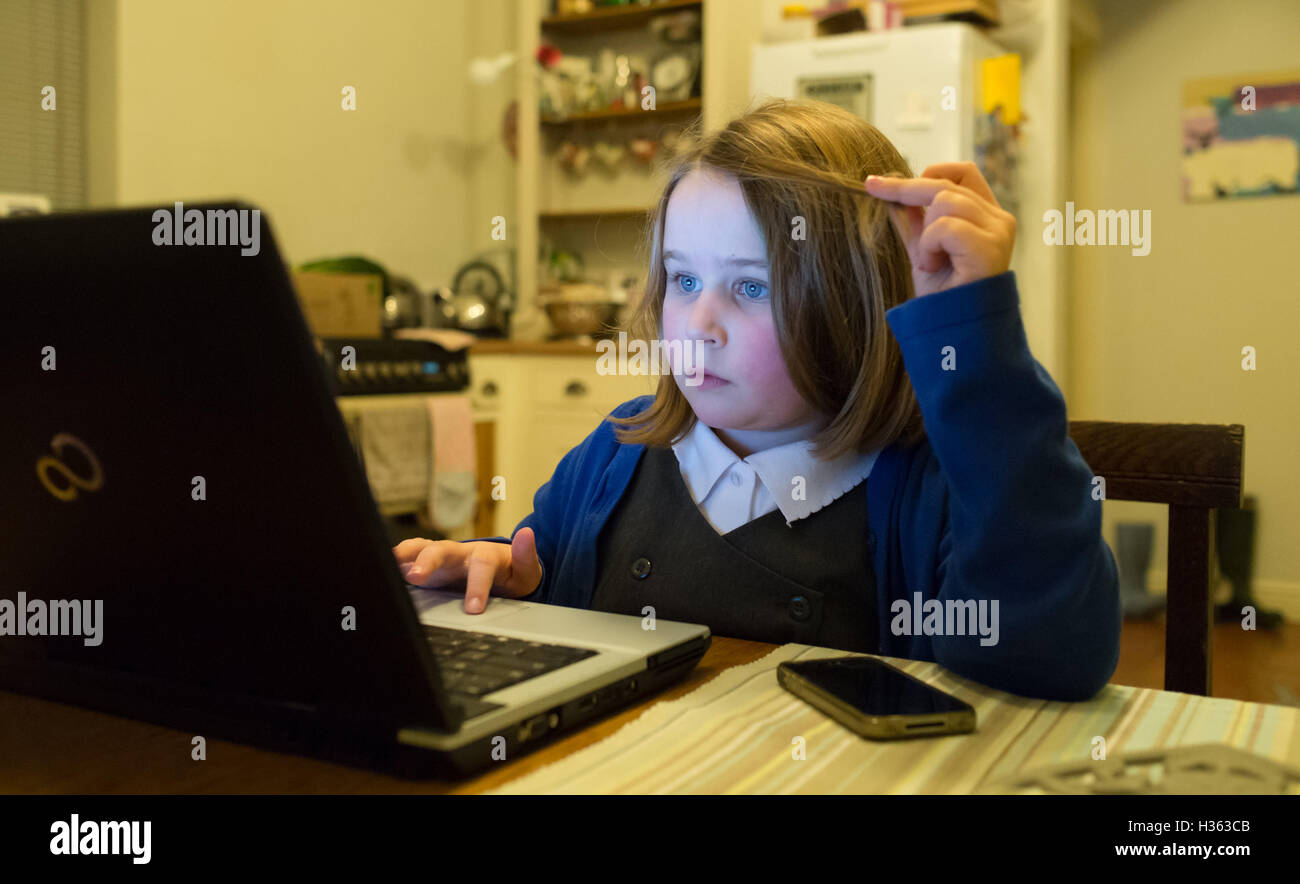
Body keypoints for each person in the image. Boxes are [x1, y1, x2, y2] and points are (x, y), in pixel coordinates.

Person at [393, 98, 1121, 701]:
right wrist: (501, 573)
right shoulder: (614, 455)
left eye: (751, 286)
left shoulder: (926, 487)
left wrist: (978, 349)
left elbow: (1048, 658)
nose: (699, 326)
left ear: (856, 303)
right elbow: (539, 566)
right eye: (682, 280)